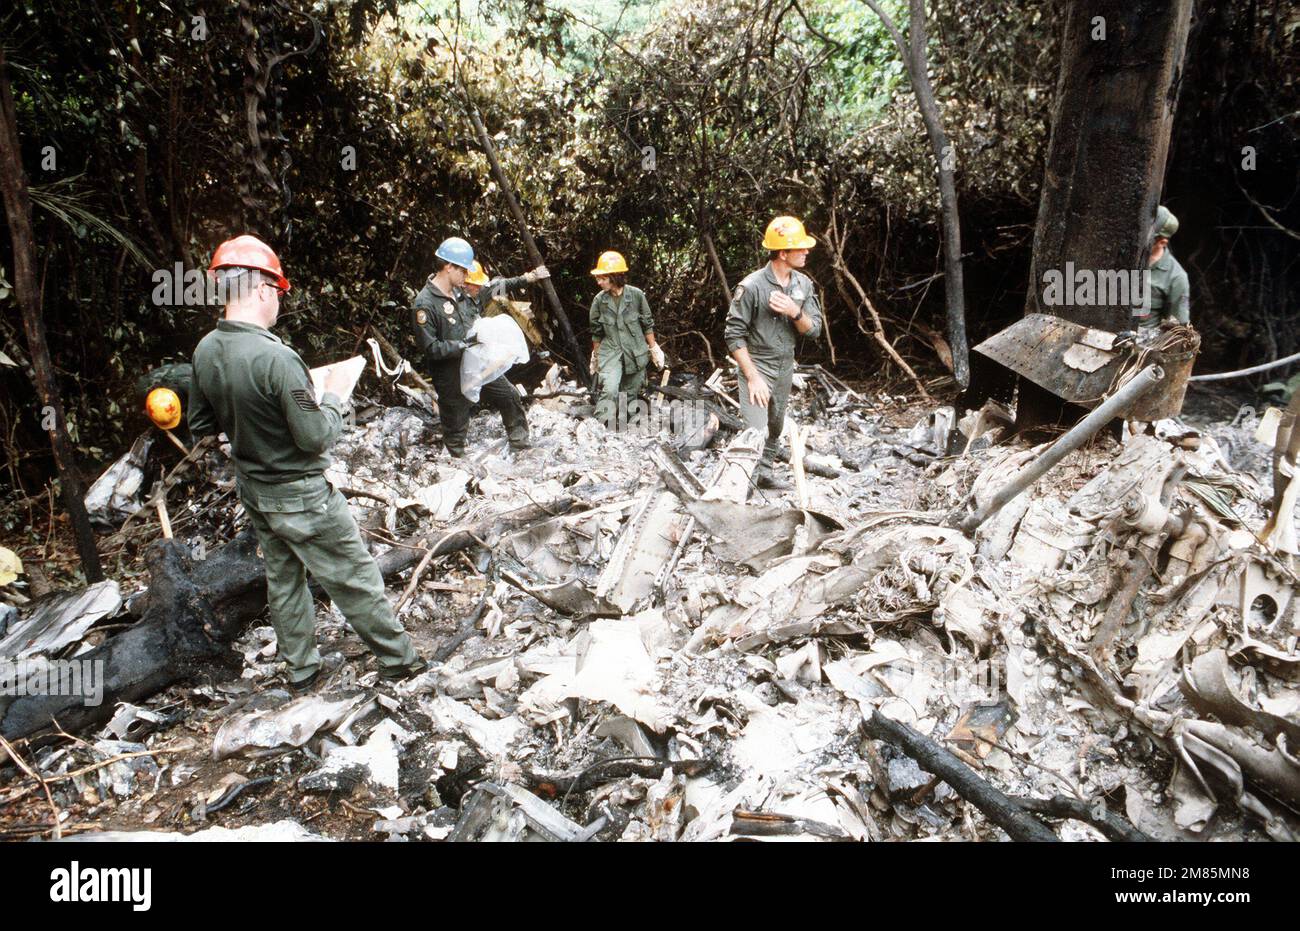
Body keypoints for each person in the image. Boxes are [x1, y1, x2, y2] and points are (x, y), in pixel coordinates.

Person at [188, 234, 425, 690]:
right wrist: (333, 396)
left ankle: (300, 670)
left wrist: (250, 426)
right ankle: (401, 662)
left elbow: (202, 423)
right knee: (355, 578)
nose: (278, 301)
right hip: (301, 495)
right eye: (278, 291)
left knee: (284, 581)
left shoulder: (206, 350)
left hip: (255, 491)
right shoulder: (277, 358)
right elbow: (315, 437)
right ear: (261, 289)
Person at [723, 216, 823, 491]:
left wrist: (794, 311)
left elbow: (814, 330)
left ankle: (764, 474)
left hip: (784, 365)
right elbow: (733, 335)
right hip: (757, 366)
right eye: (800, 248)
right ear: (782, 253)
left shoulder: (803, 285)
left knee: (775, 426)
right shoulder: (752, 286)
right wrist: (752, 377)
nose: (806, 251)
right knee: (755, 430)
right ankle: (744, 487)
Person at [411, 237, 531, 456]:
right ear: (449, 267)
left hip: (478, 362)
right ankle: (459, 466)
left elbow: (487, 294)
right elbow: (431, 349)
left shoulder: (461, 292)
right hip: (450, 373)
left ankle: (520, 447)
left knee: (509, 395)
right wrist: (463, 344)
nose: (467, 276)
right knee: (456, 422)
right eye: (463, 271)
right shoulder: (425, 303)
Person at [588, 251, 663, 426]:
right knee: (610, 389)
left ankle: (623, 429)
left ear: (614, 277)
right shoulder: (599, 301)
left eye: (602, 278)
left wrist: (653, 349)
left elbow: (647, 324)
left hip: (635, 350)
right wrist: (596, 355)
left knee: (631, 392)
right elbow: (596, 331)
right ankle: (597, 428)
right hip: (611, 350)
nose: (598, 282)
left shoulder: (636, 296)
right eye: (598, 278)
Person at [1137, 205, 1190, 329]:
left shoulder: (1176, 278)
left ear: (1162, 242)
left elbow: (1177, 331)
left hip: (1140, 343)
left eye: (1146, 237)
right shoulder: (1122, 256)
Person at [463, 259, 550, 314]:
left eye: (479, 284)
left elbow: (505, 284)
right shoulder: (456, 300)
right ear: (463, 284)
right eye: (475, 285)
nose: (478, 288)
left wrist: (530, 277)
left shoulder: (485, 291)